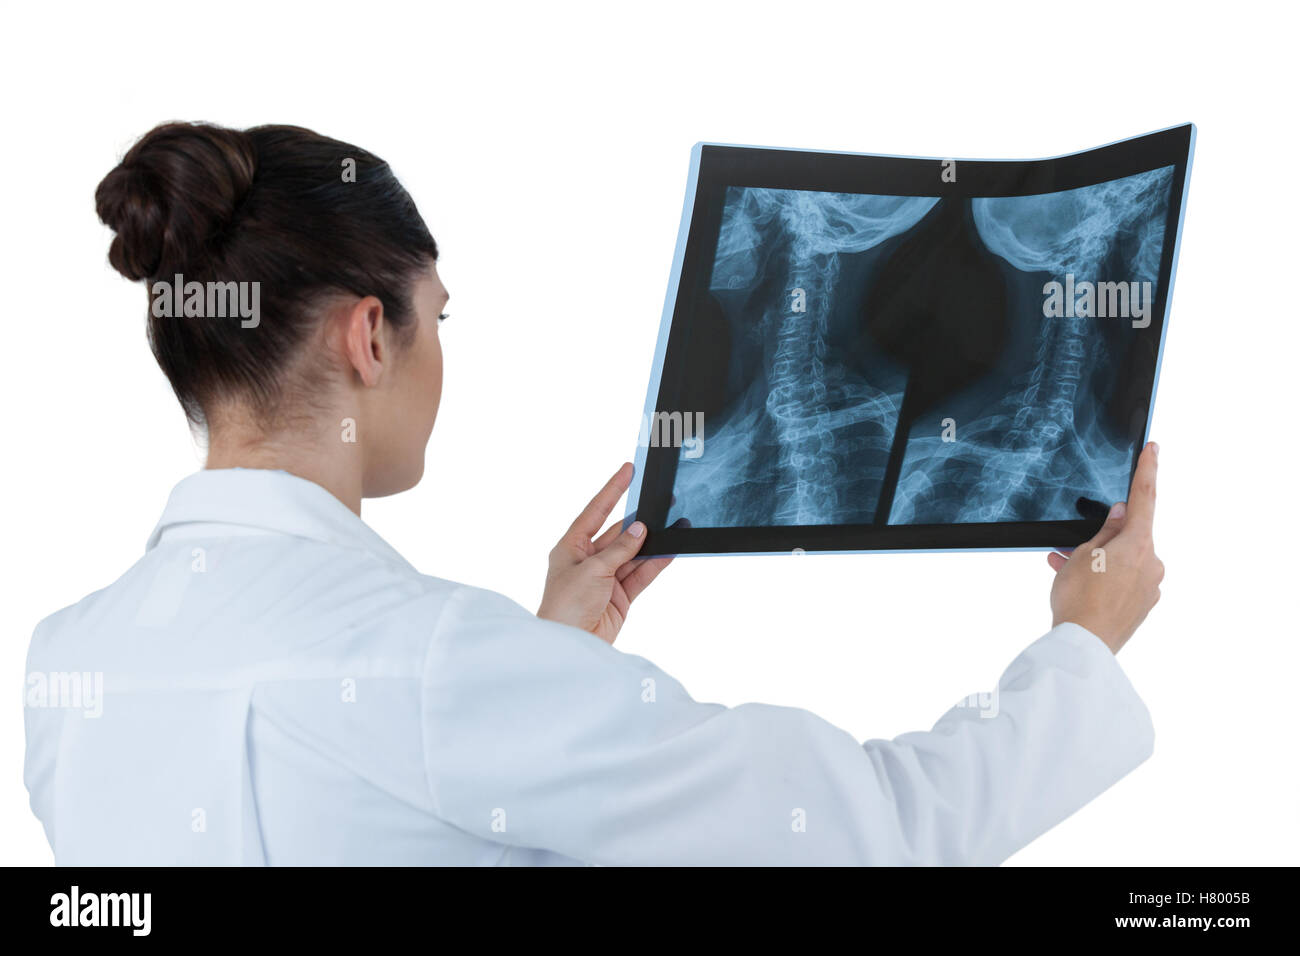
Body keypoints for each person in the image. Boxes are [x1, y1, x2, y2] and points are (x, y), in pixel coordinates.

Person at [23, 122, 1164, 866]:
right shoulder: (439, 667)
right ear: (370, 335)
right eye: (440, 316)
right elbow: (873, 832)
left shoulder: (66, 665)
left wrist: (549, 653)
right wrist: (1082, 647)